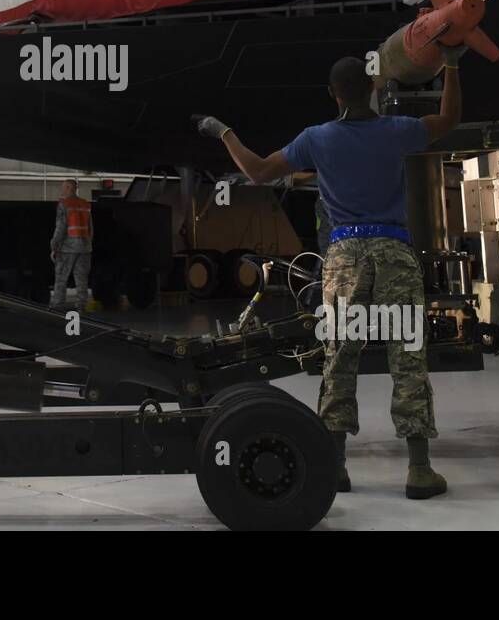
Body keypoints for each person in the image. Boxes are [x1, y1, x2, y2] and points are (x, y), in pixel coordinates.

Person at [196, 48, 465, 500]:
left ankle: (336, 466)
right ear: (373, 89)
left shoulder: (316, 139)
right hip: (393, 252)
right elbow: (449, 118)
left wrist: (222, 132)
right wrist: (452, 63)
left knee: (340, 358)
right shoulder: (396, 131)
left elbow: (259, 171)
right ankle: (419, 470)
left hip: (344, 259)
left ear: (331, 94)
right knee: (408, 358)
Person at [49, 179, 93, 309]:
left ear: (68, 188)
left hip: (67, 248)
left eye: (63, 187)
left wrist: (54, 246)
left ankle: (57, 305)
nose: (62, 190)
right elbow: (91, 228)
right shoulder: (85, 204)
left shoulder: (64, 204)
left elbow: (60, 228)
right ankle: (81, 306)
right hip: (85, 248)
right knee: (81, 279)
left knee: (61, 278)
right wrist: (88, 244)